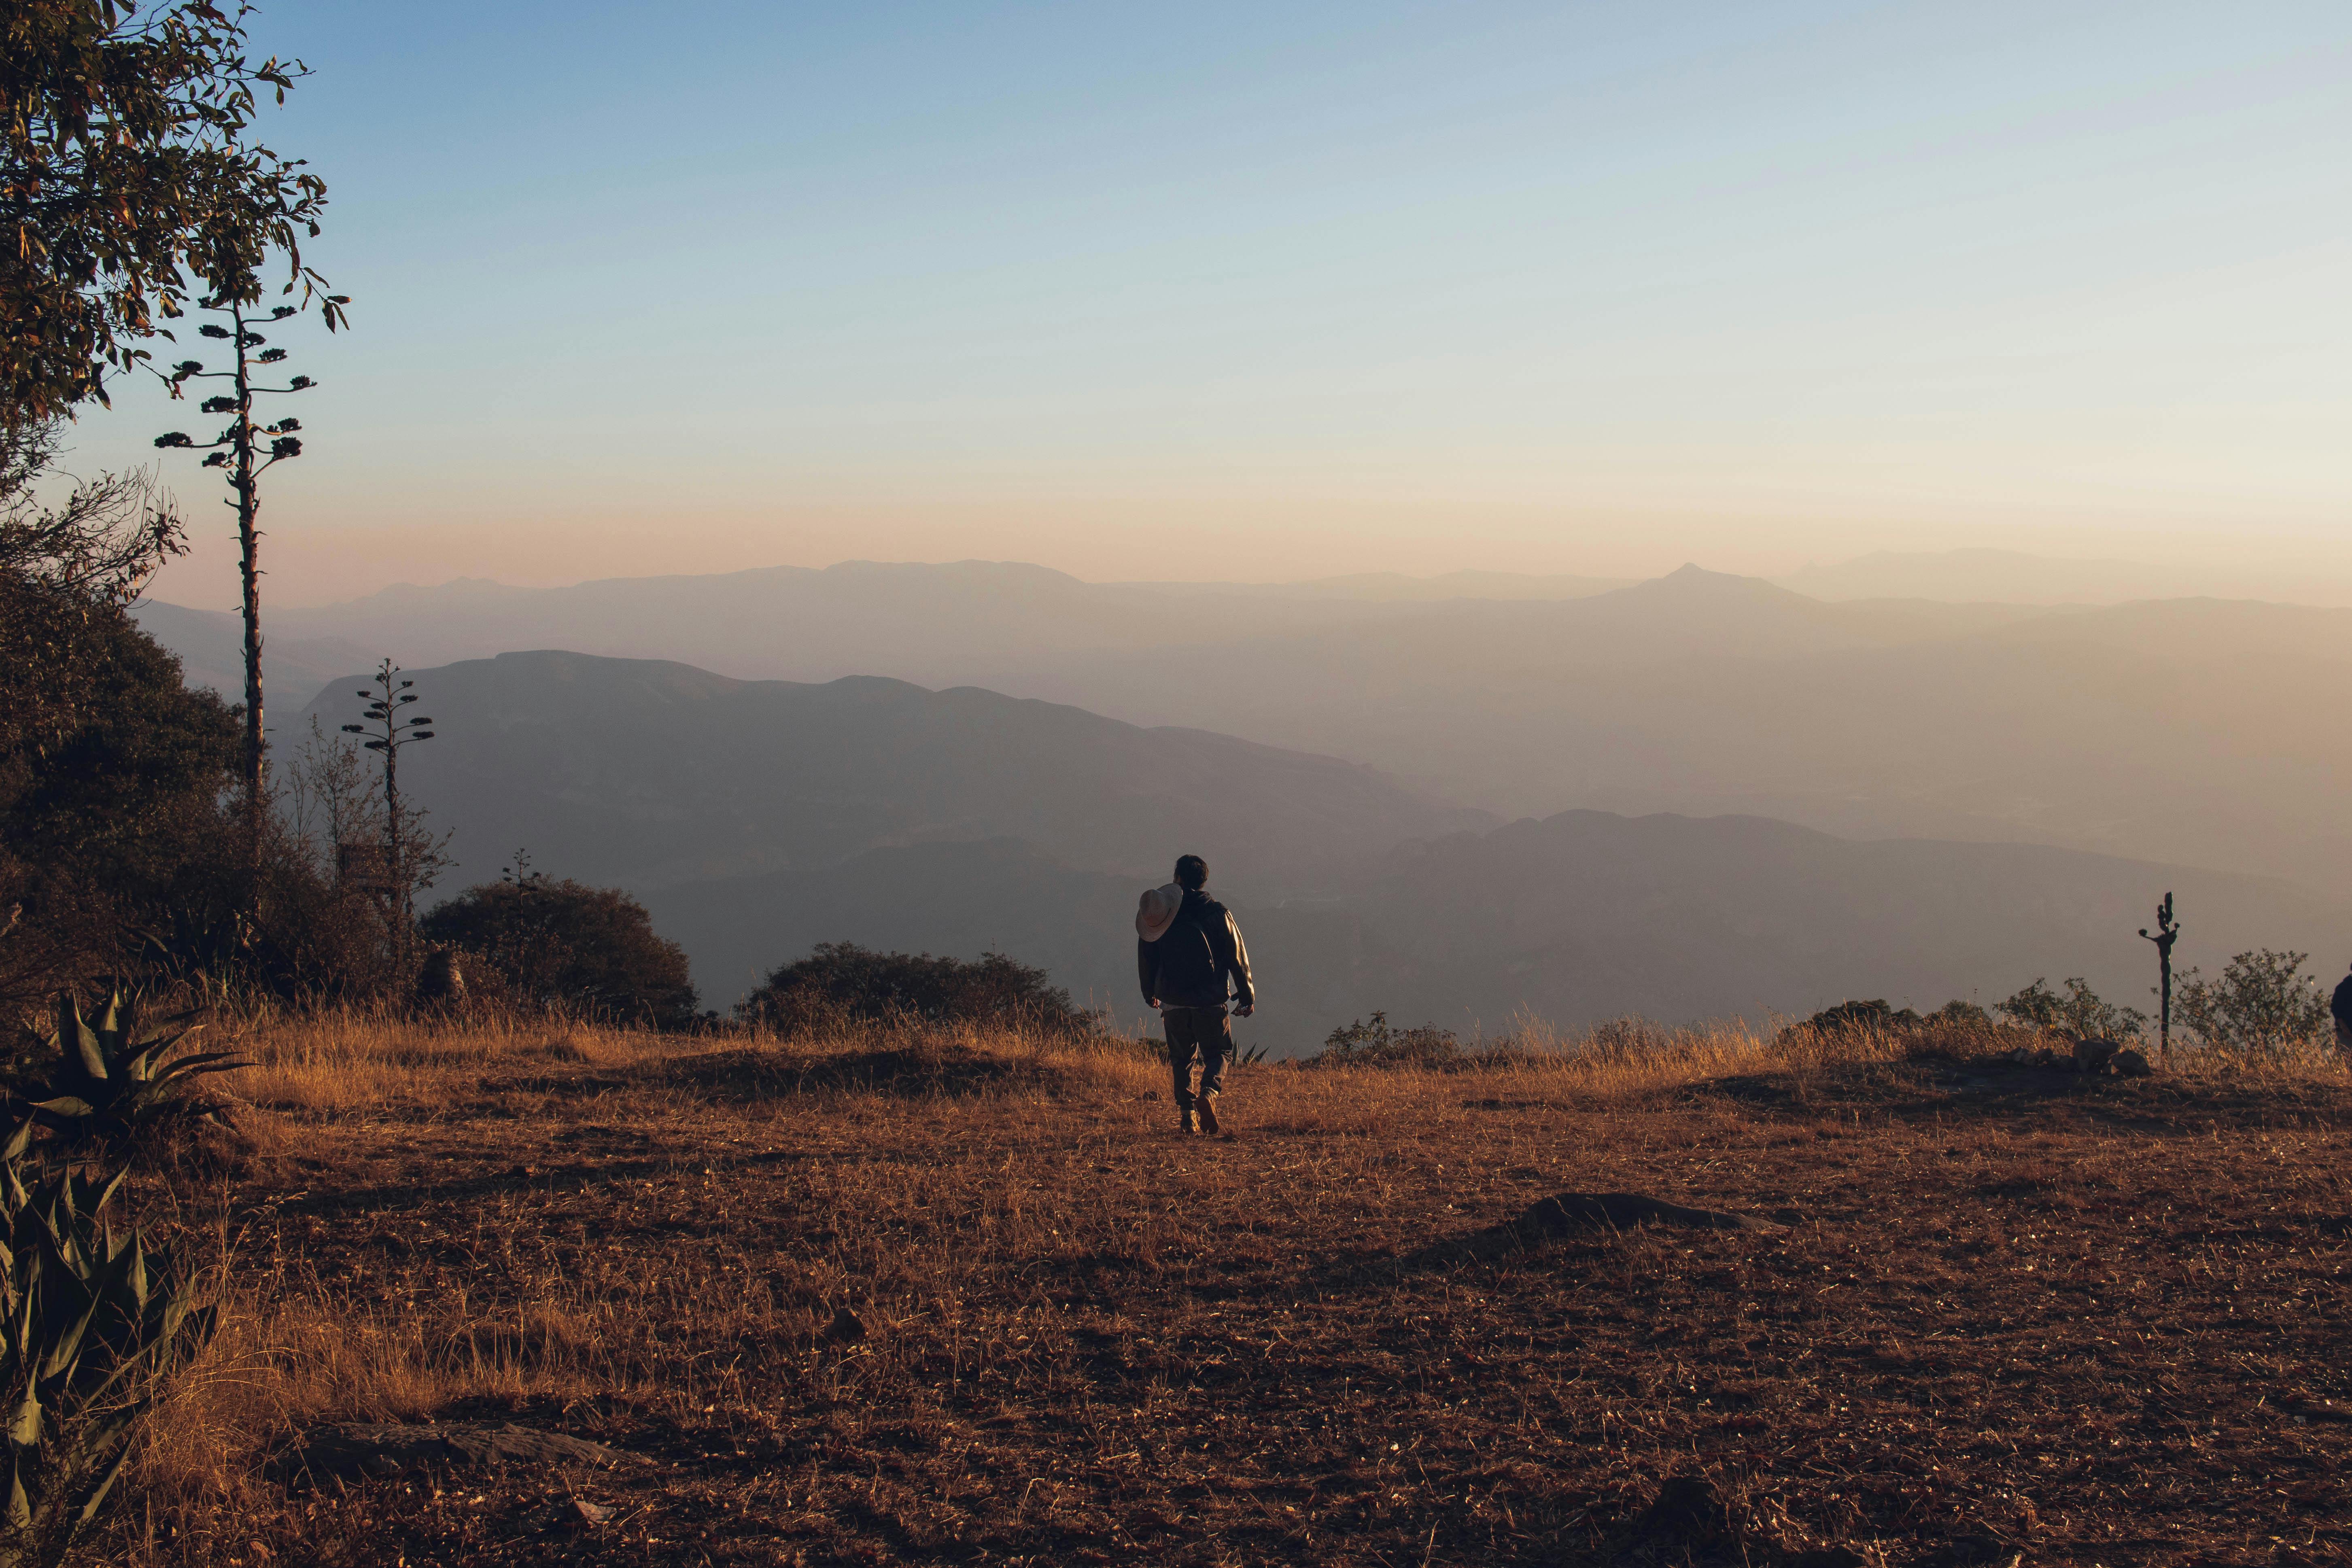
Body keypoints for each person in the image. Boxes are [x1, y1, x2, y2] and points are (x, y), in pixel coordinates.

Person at [1136, 854, 1256, 1135]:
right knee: (1220, 1052)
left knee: (1182, 1058)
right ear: (1204, 881)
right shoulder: (1217, 912)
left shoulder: (1161, 914)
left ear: (1177, 879)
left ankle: (1188, 1115)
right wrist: (1247, 994)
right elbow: (1238, 956)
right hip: (1210, 1000)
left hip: (1173, 1000)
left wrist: (1149, 992)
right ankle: (1209, 1094)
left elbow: (1146, 956)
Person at [2333, 963, 2352, 1062]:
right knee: (2347, 1063)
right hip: (2346, 1034)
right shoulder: (2344, 988)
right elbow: (2336, 1009)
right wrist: (2344, 1027)